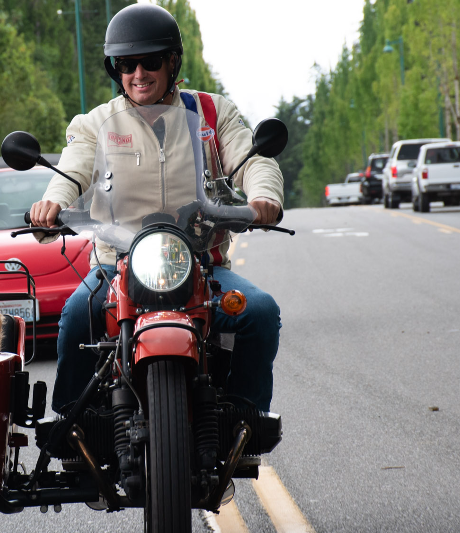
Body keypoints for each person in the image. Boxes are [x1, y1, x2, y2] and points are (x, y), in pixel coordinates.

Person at [29, 3, 283, 415]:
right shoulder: (97, 123)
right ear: (115, 70)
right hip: (119, 266)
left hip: (201, 263)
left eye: (149, 61)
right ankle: (72, 426)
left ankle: (244, 417)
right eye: (126, 64)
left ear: (171, 62)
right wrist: (53, 203)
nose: (138, 74)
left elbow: (251, 159)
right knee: (78, 313)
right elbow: (72, 170)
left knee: (258, 312)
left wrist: (262, 197)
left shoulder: (212, 112)